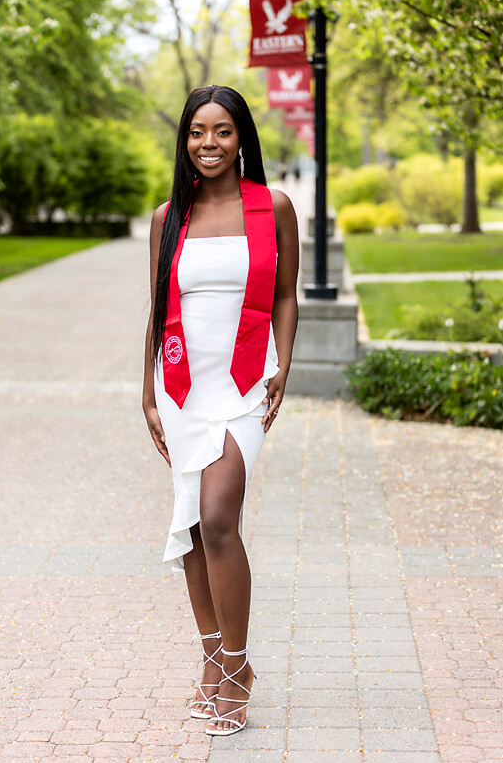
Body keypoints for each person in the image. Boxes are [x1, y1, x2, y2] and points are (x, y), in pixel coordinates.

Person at [143, 84, 299, 737]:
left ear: (243, 139)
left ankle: (236, 671)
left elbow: (288, 295)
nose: (209, 143)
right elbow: (155, 306)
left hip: (242, 382)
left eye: (223, 131)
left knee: (216, 519)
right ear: (184, 141)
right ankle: (213, 666)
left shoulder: (274, 208)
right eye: (197, 132)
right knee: (190, 524)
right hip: (181, 383)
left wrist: (282, 365)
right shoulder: (166, 218)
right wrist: (145, 392)